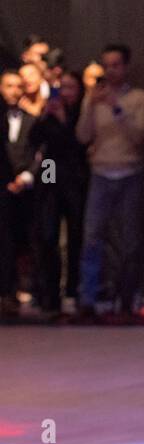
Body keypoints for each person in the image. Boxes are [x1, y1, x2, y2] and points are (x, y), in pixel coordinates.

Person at [76, 43, 144, 320]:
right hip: (100, 173)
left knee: (129, 241)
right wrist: (89, 107)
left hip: (130, 172)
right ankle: (88, 299)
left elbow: (139, 137)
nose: (110, 70)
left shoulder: (141, 98)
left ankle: (126, 300)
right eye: (106, 65)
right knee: (92, 238)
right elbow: (82, 137)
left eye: (116, 65)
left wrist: (116, 108)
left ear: (125, 66)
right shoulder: (93, 97)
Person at [31, 70, 88, 318]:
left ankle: (73, 292)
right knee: (48, 236)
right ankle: (50, 294)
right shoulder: (50, 113)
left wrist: (64, 119)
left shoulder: (81, 114)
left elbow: (77, 144)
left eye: (70, 88)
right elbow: (34, 139)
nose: (65, 93)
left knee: (76, 237)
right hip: (50, 180)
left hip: (75, 181)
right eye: (61, 87)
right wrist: (44, 116)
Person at [2, 69, 37, 319]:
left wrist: (28, 177)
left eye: (18, 86)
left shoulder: (34, 120)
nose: (13, 91)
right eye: (8, 86)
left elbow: (45, 158)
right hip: (1, 188)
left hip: (27, 191)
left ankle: (26, 290)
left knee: (26, 242)